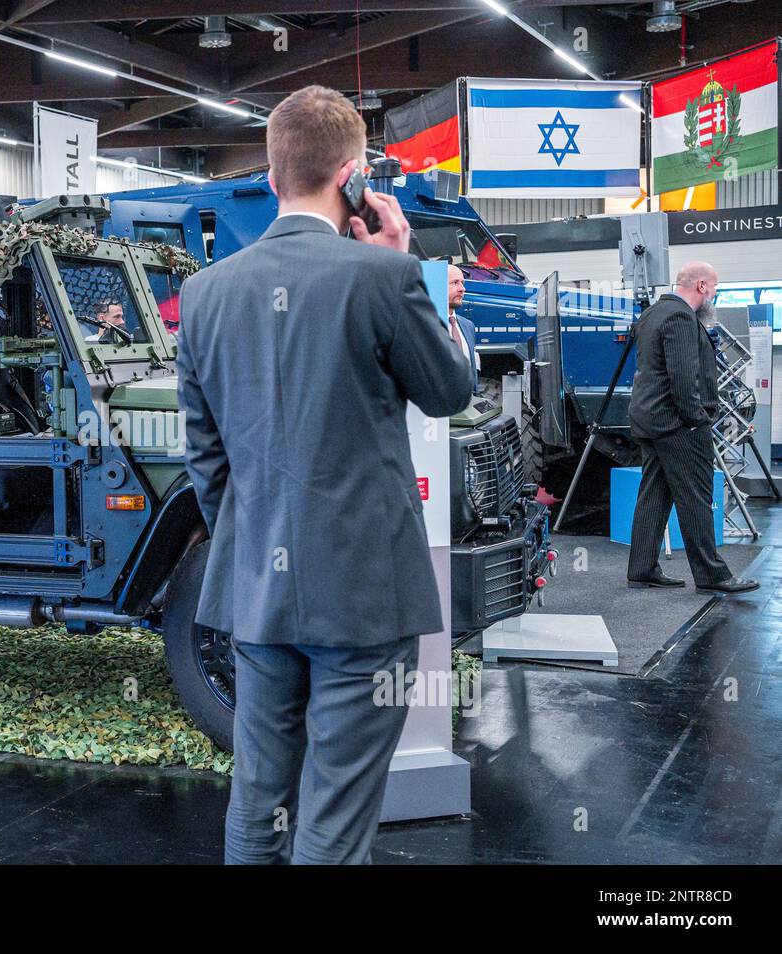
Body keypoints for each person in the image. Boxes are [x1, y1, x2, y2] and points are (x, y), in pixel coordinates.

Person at [175, 84, 473, 865]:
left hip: (257, 595)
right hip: (364, 599)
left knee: (258, 798)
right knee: (336, 820)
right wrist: (413, 276)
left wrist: (251, 538)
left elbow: (206, 459)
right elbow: (447, 391)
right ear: (355, 178)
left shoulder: (202, 296)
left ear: (273, 178)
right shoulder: (384, 279)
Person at [627, 261, 758, 595]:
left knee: (654, 494)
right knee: (696, 498)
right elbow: (684, 377)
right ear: (701, 286)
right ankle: (713, 574)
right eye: (714, 287)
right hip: (677, 424)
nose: (714, 294)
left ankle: (642, 568)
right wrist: (697, 420)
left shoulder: (653, 314)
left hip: (649, 419)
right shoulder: (681, 317)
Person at [447, 264, 480, 395]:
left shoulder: (468, 326)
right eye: (455, 283)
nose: (463, 289)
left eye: (462, 283)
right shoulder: (425, 325)